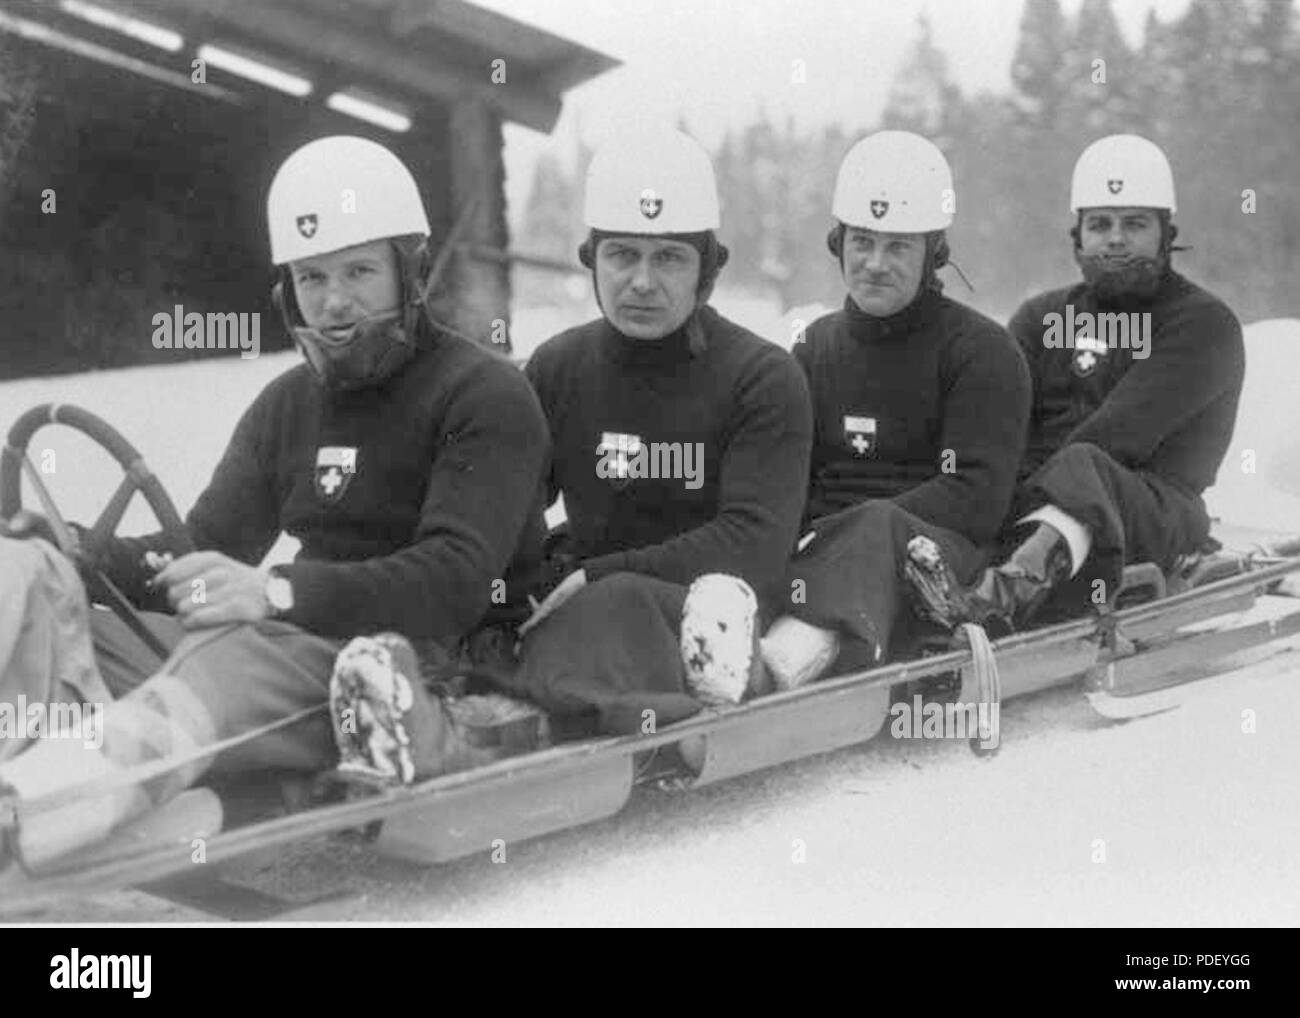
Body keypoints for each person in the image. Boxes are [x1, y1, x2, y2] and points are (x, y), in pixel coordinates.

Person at [0, 135, 550, 870]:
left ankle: (32, 812)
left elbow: (452, 582)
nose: (335, 301)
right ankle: (51, 757)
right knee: (51, 603)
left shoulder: (483, 395)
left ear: (410, 271)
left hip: (412, 670)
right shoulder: (287, 405)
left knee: (231, 654)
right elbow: (199, 548)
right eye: (313, 276)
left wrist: (278, 591)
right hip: (285, 642)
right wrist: (70, 551)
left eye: (359, 271)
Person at [503, 125, 813, 737]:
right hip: (589, 595)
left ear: (706, 271)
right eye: (622, 255)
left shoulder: (761, 377)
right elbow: (510, 509)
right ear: (592, 260)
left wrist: (598, 575)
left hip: (714, 606)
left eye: (668, 258)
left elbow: (754, 542)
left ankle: (538, 719)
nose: (642, 282)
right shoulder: (557, 368)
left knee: (616, 604)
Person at [910, 134, 1245, 633]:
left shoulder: (1202, 324)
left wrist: (1013, 490)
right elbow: (989, 418)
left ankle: (1005, 595)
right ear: (1078, 236)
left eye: (1134, 224)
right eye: (1100, 225)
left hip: (1156, 510)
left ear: (1165, 234)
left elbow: (1119, 435)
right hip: (1033, 498)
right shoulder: (1042, 316)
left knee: (1085, 463)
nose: (1114, 239)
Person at [757, 131, 1032, 688]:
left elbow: (976, 498)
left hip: (937, 559)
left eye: (898, 247)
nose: (875, 264)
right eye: (862, 242)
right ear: (839, 244)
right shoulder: (815, 348)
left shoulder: (981, 352)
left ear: (934, 254)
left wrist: (847, 532)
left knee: (878, 524)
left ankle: (777, 670)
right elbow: (783, 473)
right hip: (826, 553)